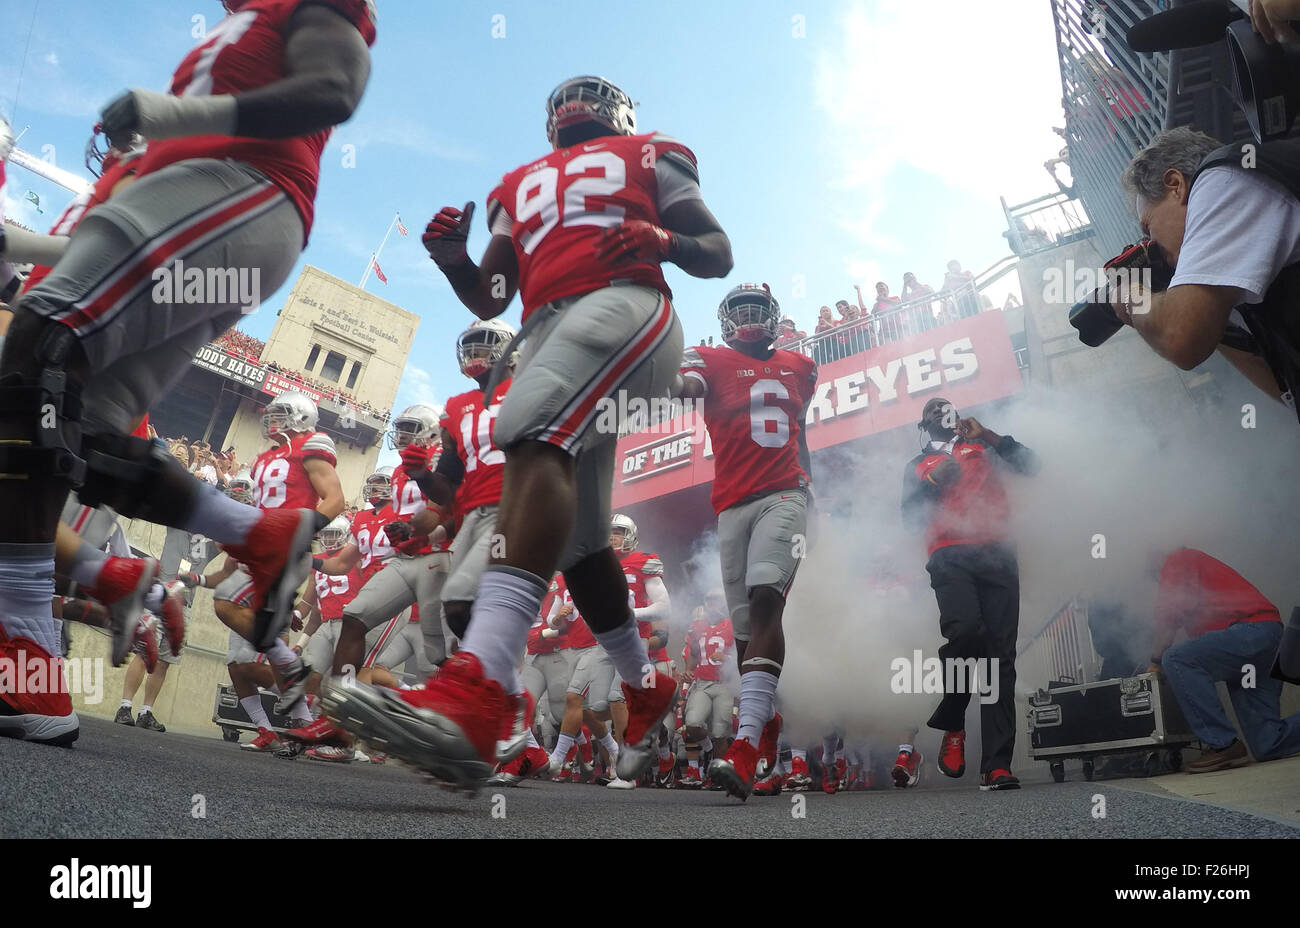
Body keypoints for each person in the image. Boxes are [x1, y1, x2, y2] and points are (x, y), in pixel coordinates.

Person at [323, 74, 732, 790]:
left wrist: (660, 237)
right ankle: (644, 684)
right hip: (545, 329)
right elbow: (495, 294)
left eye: (592, 93)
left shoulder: (650, 154)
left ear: (621, 112)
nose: (577, 101)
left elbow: (715, 249)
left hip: (626, 304)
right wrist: (454, 258)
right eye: (564, 95)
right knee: (579, 544)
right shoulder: (519, 184)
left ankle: (478, 688)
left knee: (527, 430)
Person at [0, 0, 376, 745]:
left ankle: (20, 645)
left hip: (236, 188)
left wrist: (171, 116)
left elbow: (335, 86)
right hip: (216, 204)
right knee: (76, 433)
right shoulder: (244, 27)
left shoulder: (291, 12)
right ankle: (256, 535)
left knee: (42, 341)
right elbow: (59, 253)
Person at [674, 283, 816, 799]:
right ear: (726, 320)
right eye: (740, 310)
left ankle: (747, 743)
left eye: (758, 309)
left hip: (785, 493)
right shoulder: (707, 357)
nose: (749, 317)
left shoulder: (802, 365)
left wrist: (810, 492)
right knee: (742, 636)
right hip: (731, 505)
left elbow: (798, 434)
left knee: (764, 600)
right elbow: (686, 389)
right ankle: (769, 726)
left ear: (775, 317)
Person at [1111, 126, 1300, 419]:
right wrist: (1183, 297)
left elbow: (1180, 339)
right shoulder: (1244, 268)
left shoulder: (1222, 179)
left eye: (1148, 228)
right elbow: (1286, 391)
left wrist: (1129, 295)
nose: (1150, 245)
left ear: (1176, 185)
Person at [901, 396, 1039, 790]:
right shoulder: (916, 465)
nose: (940, 411)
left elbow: (1032, 466)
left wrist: (991, 436)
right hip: (948, 555)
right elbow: (908, 517)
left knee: (1000, 662)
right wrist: (931, 483)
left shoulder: (983, 446)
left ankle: (996, 766)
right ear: (923, 425)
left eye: (946, 406)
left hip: (997, 553)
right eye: (931, 410)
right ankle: (955, 722)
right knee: (964, 633)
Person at [212, 391, 344, 722]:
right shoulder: (266, 457)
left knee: (226, 600)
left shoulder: (311, 446)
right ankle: (303, 720)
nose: (272, 419)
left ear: (301, 418)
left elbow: (335, 499)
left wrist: (299, 531)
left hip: (287, 546)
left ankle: (295, 672)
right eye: (271, 413)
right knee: (272, 639)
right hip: (264, 546)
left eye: (281, 413)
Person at [1148, 548, 1300, 772]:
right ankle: (1235, 745)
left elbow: (1169, 613)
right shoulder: (1195, 570)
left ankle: (1222, 745)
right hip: (1260, 642)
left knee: (1177, 658)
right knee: (1268, 744)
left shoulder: (1176, 557)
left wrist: (1155, 661)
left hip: (1250, 633)